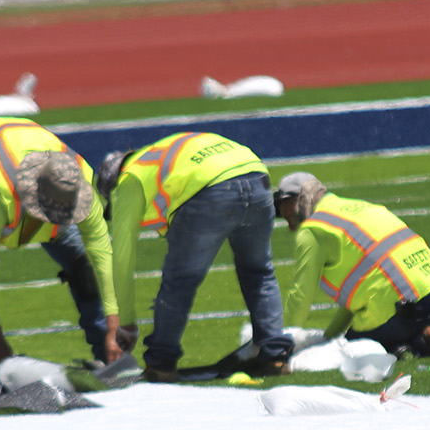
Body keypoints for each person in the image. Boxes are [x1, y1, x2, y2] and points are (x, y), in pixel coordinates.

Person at [96, 132, 293, 382]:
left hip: (209, 187)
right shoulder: (158, 157)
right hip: (255, 174)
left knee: (180, 281)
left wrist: (126, 324)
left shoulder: (127, 180)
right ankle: (275, 355)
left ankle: (161, 363)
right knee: (259, 271)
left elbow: (122, 263)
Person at [0, 117, 121, 368]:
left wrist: (113, 329)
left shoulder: (80, 181)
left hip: (23, 143)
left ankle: (108, 355)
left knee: (82, 266)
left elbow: (102, 259)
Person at [274, 171, 430, 357]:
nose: (288, 224)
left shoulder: (313, 230)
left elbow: (300, 297)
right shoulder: (358, 207)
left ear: (296, 200)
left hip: (403, 308)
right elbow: (354, 303)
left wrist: (281, 344)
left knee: (351, 353)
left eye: (285, 212)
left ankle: (420, 346)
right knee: (360, 338)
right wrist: (330, 336)